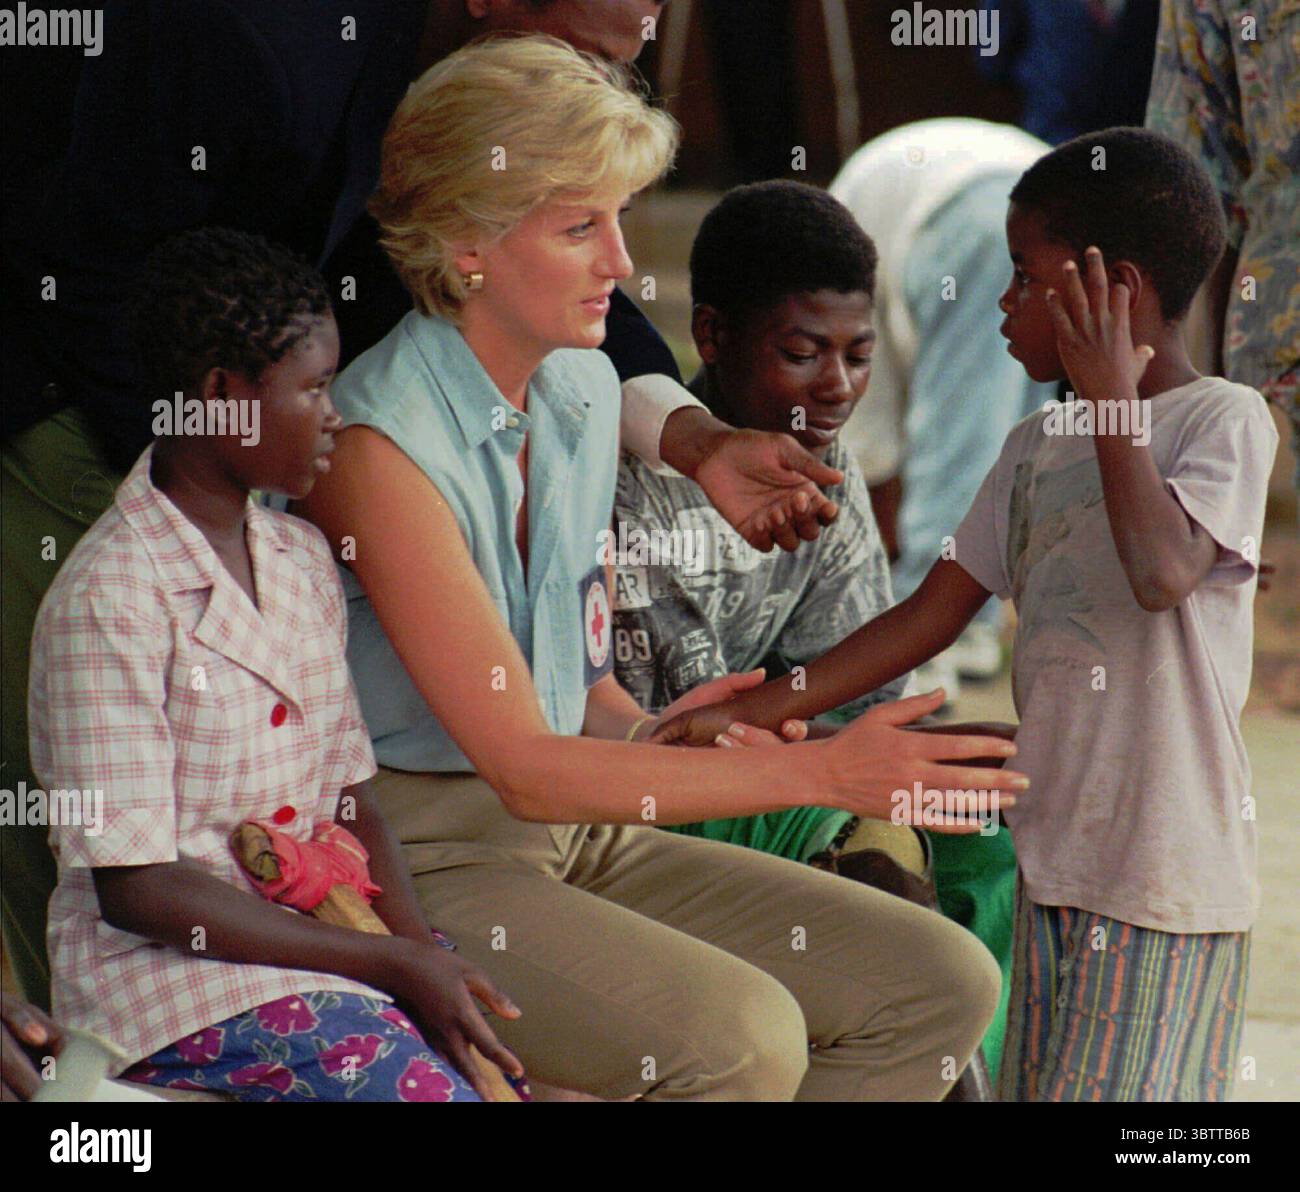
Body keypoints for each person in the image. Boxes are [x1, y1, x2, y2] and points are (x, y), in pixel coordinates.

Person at [0, 0, 839, 1013]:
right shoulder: (258, 50)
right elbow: (85, 275)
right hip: (82, 401)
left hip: (284, 459)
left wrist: (694, 444)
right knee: (98, 844)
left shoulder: (556, 388)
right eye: (582, 56)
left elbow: (553, 722)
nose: (631, 38)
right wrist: (228, 489)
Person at [297, 35, 1021, 1102]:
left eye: (619, 218)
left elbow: (579, 694)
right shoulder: (377, 447)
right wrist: (820, 773)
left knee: (940, 983)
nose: (622, 263)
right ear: (465, 245)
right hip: (430, 858)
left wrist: (657, 732)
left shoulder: (581, 390)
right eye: (579, 227)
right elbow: (523, 767)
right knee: (742, 1040)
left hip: (577, 833)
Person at [656, 127, 1278, 1102]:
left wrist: (1113, 402)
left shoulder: (1222, 422)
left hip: (1162, 876)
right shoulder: (1034, 445)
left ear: (1111, 292)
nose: (1000, 303)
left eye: (1024, 277)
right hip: (1047, 862)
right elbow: (926, 617)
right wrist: (751, 710)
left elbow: (1161, 572)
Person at [28, 228, 524, 1102]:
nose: (334, 414)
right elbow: (138, 889)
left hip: (330, 950)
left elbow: (351, 802)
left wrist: (418, 959)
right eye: (315, 386)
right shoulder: (110, 597)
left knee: (495, 1081)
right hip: (177, 986)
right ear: (224, 397)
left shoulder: (299, 560)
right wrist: (386, 963)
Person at [610, 179, 1016, 1087]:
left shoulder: (830, 470)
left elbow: (855, 688)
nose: (837, 387)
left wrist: (944, 751)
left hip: (784, 758)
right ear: (711, 335)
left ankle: (958, 1073)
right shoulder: (636, 486)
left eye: (859, 355)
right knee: (870, 849)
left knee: (987, 840)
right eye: (802, 353)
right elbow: (689, 731)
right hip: (661, 788)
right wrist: (860, 752)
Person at [830, 118, 1057, 699]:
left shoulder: (834, 273)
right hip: (1049, 201)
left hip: (976, 218)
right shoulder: (849, 237)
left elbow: (872, 450)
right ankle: (972, 622)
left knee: (965, 432)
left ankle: (928, 640)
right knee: (1014, 431)